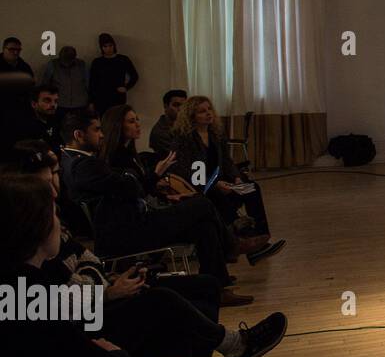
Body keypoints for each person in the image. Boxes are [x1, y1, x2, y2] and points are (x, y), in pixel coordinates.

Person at [0, 175, 219, 357]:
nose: (59, 221)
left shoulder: (23, 284)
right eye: (53, 212)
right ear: (34, 225)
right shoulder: (30, 292)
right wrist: (111, 353)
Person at [62, 104, 254, 307]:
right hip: (128, 231)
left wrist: (142, 181)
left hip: (135, 220)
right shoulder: (85, 165)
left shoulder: (81, 161)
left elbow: (131, 186)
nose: (101, 135)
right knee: (202, 204)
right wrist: (150, 177)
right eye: (96, 130)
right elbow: (130, 187)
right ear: (79, 135)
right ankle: (232, 246)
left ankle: (217, 286)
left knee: (203, 225)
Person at [171, 96, 281, 261]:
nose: (208, 114)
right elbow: (193, 173)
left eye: (209, 109)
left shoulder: (215, 133)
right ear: (192, 116)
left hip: (220, 180)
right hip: (201, 185)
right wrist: (215, 184)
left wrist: (237, 178)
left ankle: (261, 236)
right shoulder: (186, 139)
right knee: (218, 196)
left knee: (251, 188)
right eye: (202, 111)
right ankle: (248, 240)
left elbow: (227, 162)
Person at [2, 83, 60, 159]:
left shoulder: (55, 122)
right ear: (34, 104)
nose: (53, 105)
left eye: (56, 101)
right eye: (47, 100)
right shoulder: (22, 126)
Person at [87, 33, 138, 117]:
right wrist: (91, 101)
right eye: (105, 46)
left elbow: (134, 76)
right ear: (101, 48)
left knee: (118, 120)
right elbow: (93, 83)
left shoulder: (122, 59)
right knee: (104, 121)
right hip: (101, 98)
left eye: (110, 45)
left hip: (117, 97)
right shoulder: (97, 62)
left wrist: (126, 87)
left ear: (114, 45)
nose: (108, 49)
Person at [40, 46, 89, 122]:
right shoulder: (52, 65)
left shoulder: (82, 65)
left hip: (79, 105)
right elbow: (45, 85)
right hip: (59, 105)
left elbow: (88, 84)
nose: (67, 64)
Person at [0, 36, 35, 130]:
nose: (15, 52)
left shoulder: (24, 66)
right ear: (4, 49)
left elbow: (31, 86)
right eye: (12, 49)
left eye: (18, 50)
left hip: (19, 109)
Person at [150, 89, 187, 154]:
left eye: (184, 106)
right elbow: (178, 155)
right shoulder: (160, 132)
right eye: (176, 105)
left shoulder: (186, 125)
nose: (181, 109)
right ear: (166, 106)